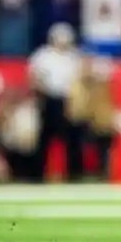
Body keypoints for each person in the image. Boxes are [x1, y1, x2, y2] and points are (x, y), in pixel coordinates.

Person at [28, 23, 84, 181]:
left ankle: (74, 174)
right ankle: (37, 175)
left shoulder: (74, 57)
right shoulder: (42, 55)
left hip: (69, 100)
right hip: (49, 100)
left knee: (72, 139)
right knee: (44, 139)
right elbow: (34, 78)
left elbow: (79, 80)